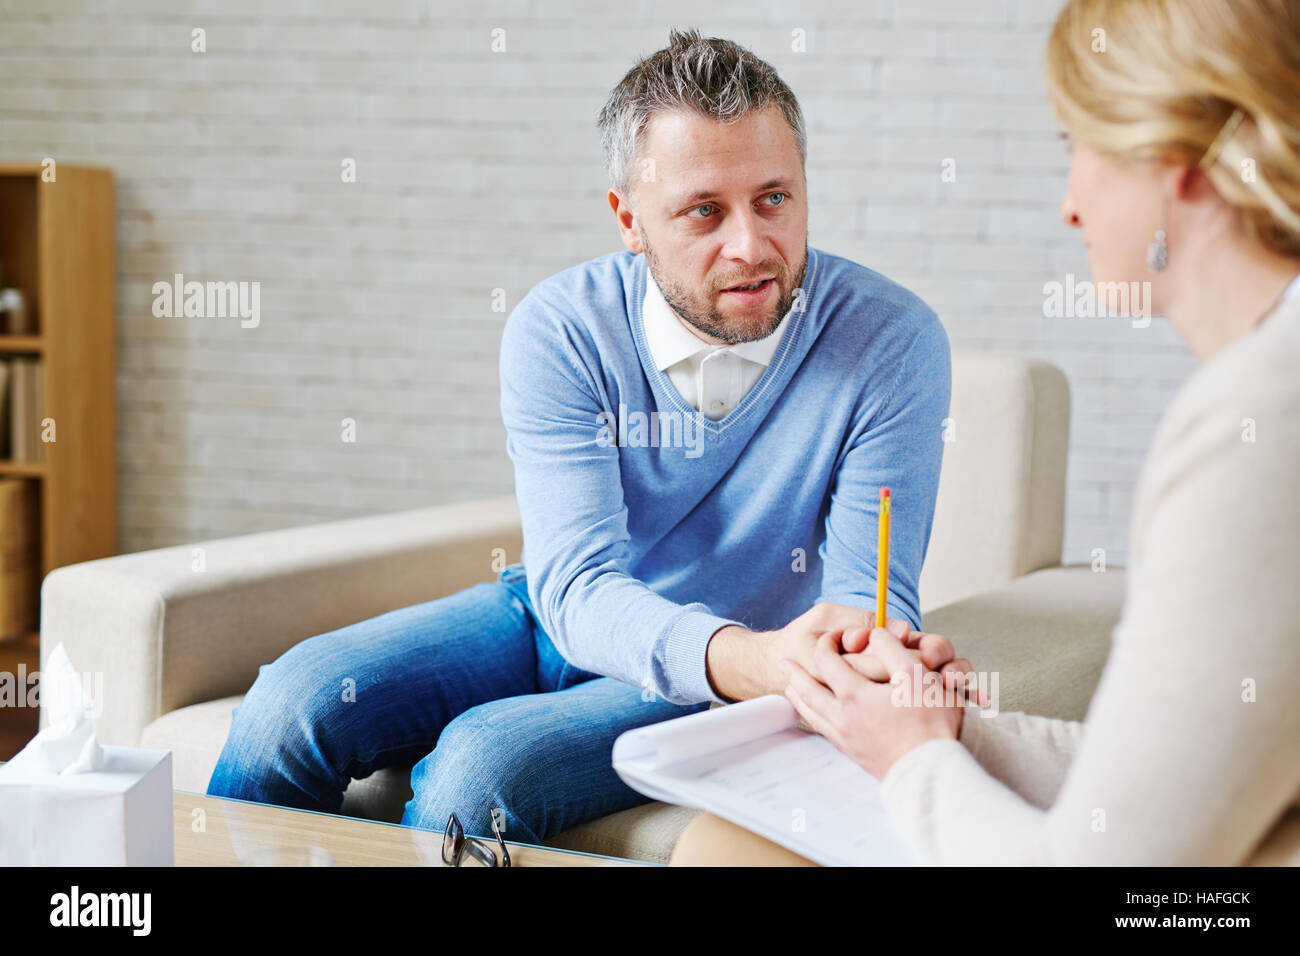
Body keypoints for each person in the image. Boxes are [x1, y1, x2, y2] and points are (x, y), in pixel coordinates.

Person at [207, 28, 962, 846]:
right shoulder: (561, 330)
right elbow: (574, 588)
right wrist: (753, 655)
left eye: (774, 198)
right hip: (565, 614)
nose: (750, 246)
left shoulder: (891, 341)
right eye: (704, 210)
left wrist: (840, 658)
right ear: (628, 221)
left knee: (477, 768)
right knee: (288, 704)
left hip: (737, 678)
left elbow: (868, 606)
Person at [672, 0, 1300, 867]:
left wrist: (914, 759)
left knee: (730, 852)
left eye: (1075, 149)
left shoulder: (1259, 423)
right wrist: (948, 729)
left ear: (1171, 159)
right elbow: (1159, 792)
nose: (1070, 205)